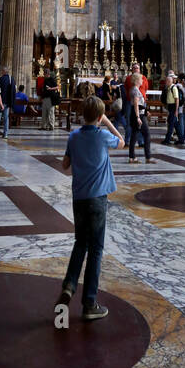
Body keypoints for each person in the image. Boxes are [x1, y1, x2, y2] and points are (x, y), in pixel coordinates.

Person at [56, 95, 125, 321]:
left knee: (80, 244)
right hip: (97, 199)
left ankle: (69, 285)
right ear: (98, 116)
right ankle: (89, 303)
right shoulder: (103, 135)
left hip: (79, 198)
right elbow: (122, 142)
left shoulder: (74, 136)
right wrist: (106, 122)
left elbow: (65, 166)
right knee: (96, 249)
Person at [126, 66, 152, 164]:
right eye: (141, 79)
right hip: (138, 115)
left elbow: (139, 105)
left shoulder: (133, 89)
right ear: (137, 80)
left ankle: (132, 157)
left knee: (134, 135)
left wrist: (145, 111)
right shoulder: (136, 90)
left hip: (139, 114)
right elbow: (136, 104)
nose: (142, 80)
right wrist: (138, 117)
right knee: (147, 134)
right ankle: (148, 157)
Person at [162, 71, 184, 146]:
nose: (165, 82)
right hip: (170, 107)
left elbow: (177, 99)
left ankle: (167, 139)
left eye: (166, 81)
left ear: (169, 81)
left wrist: (176, 110)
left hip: (173, 107)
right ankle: (181, 139)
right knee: (176, 124)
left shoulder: (174, 88)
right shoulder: (169, 88)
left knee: (171, 123)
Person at [0, 67, 15, 139]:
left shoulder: (0, 79)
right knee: (6, 118)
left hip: (1, 101)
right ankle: (5, 134)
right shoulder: (12, 79)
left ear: (3, 72)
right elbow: (14, 91)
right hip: (8, 102)